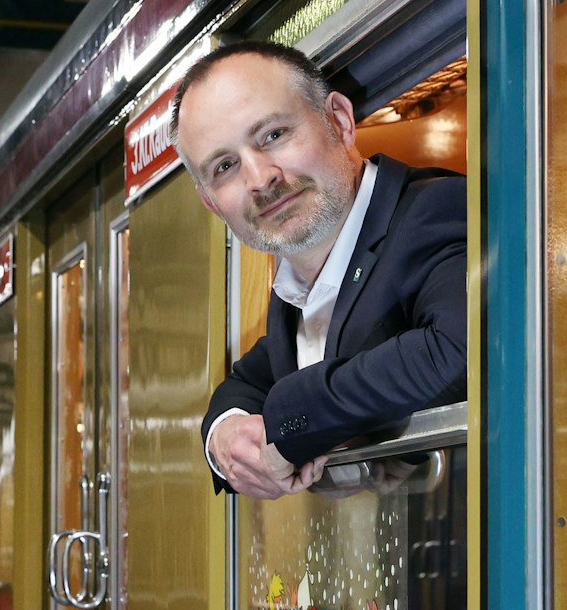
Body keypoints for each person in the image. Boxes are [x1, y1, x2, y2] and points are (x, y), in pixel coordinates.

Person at [169, 40, 466, 499]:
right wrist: (224, 436)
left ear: (340, 121)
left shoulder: (437, 210)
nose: (260, 178)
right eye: (225, 166)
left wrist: (292, 423)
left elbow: (457, 351)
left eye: (273, 135)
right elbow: (248, 384)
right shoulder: (298, 291)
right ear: (210, 202)